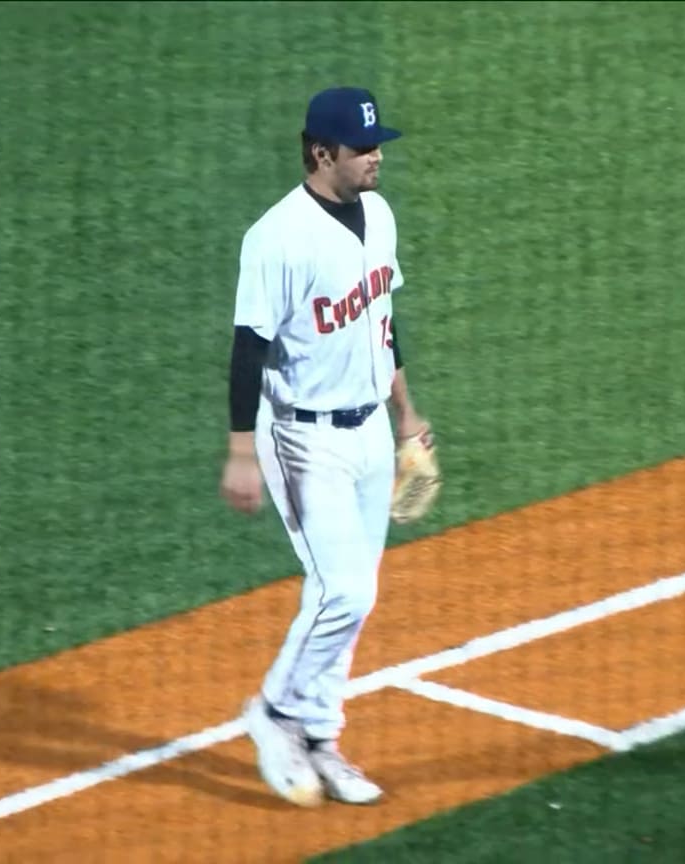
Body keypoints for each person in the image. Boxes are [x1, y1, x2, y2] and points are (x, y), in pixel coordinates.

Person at [220, 86, 431, 807]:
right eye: (365, 148)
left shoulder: (378, 215)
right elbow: (248, 349)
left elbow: (384, 317)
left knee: (349, 598)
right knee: (346, 589)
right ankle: (274, 710)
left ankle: (319, 734)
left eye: (378, 146)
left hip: (371, 430)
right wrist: (241, 450)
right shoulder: (276, 239)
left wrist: (406, 415)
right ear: (321, 153)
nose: (377, 158)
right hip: (301, 440)